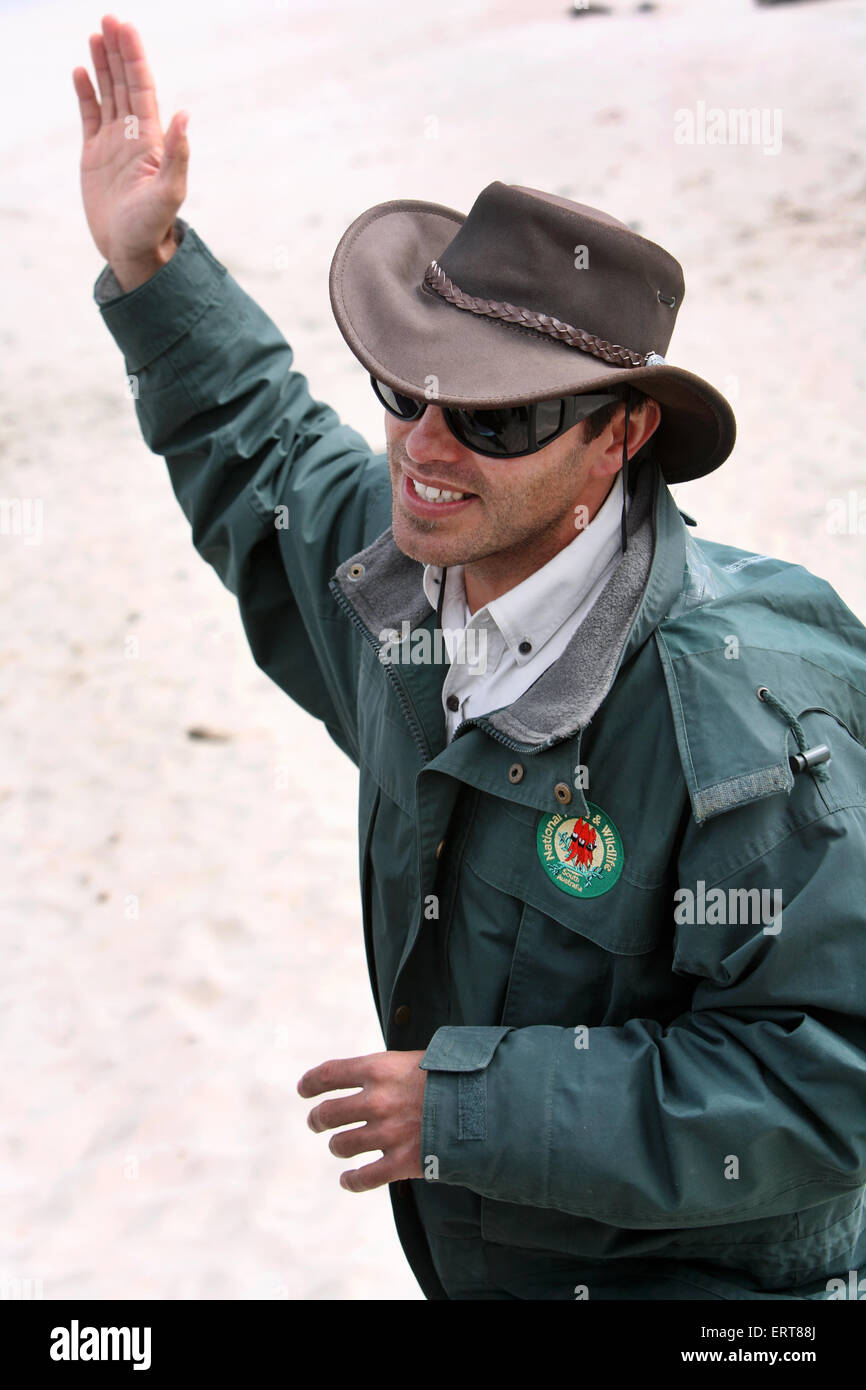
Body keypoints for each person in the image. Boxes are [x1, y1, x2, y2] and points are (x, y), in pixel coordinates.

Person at [74, 17, 866, 1301]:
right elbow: (265, 447)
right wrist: (151, 259)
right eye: (406, 387)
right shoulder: (397, 582)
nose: (427, 445)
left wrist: (470, 1113)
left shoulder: (745, 703)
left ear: (618, 438)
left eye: (499, 414)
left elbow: (829, 1073)